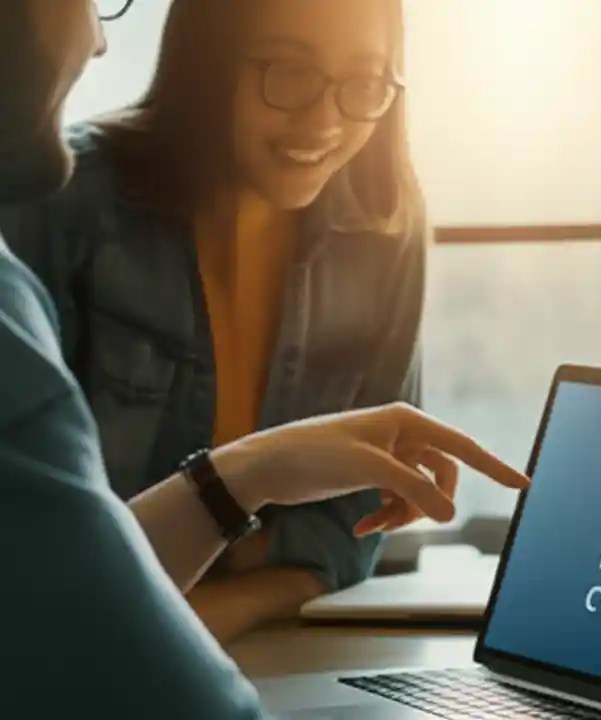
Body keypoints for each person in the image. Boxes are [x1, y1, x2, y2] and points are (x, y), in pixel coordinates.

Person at [0, 0, 527, 715]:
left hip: (265, 651)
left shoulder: (383, 222)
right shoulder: (57, 198)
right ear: (206, 63)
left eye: (365, 82)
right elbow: (59, 578)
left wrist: (214, 573)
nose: (324, 121)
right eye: (288, 73)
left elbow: (344, 536)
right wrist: (183, 616)